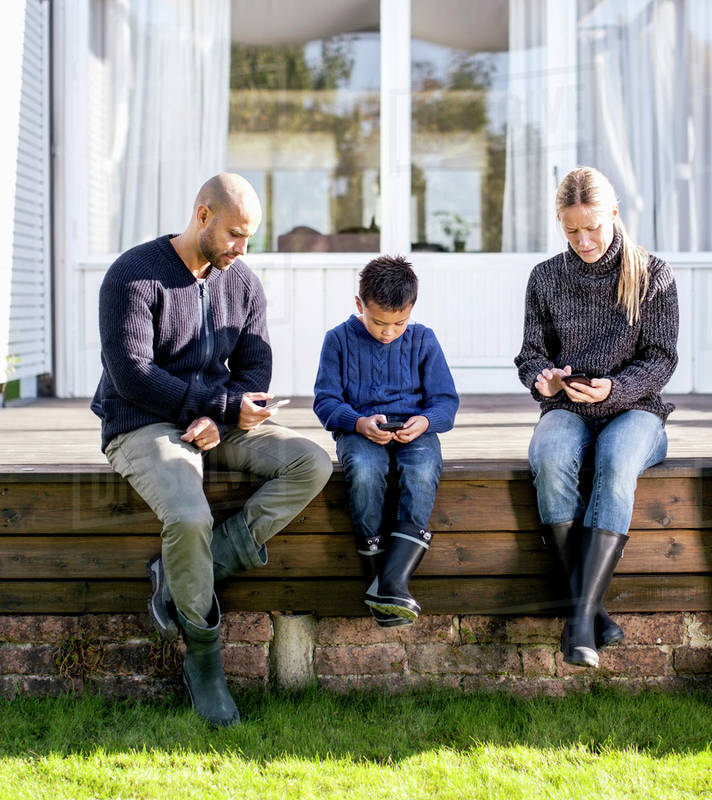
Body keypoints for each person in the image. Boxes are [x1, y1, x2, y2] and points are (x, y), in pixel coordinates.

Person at [92, 173, 332, 727]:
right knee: (187, 513)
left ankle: (178, 577)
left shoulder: (241, 282)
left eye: (249, 238)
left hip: (214, 423)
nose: (242, 250)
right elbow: (133, 374)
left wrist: (224, 412)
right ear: (202, 216)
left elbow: (254, 368)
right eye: (235, 235)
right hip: (144, 425)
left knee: (312, 462)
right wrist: (214, 408)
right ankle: (204, 661)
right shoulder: (133, 275)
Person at [514, 166, 679, 670]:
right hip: (567, 405)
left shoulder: (653, 273)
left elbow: (662, 358)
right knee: (550, 456)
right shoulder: (545, 277)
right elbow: (529, 355)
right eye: (571, 231)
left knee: (614, 459)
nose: (583, 240)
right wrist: (543, 378)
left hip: (636, 410)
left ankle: (579, 614)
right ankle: (591, 613)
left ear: (614, 213)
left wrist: (617, 387)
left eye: (593, 228)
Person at [313, 255, 459, 626]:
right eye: (379, 322)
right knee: (363, 470)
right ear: (359, 304)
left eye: (400, 322)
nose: (389, 332)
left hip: (414, 431)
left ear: (412, 310)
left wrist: (425, 421)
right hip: (360, 431)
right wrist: (358, 422)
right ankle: (383, 584)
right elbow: (326, 401)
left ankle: (392, 582)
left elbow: (446, 402)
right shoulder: (338, 340)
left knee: (423, 469)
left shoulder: (424, 339)